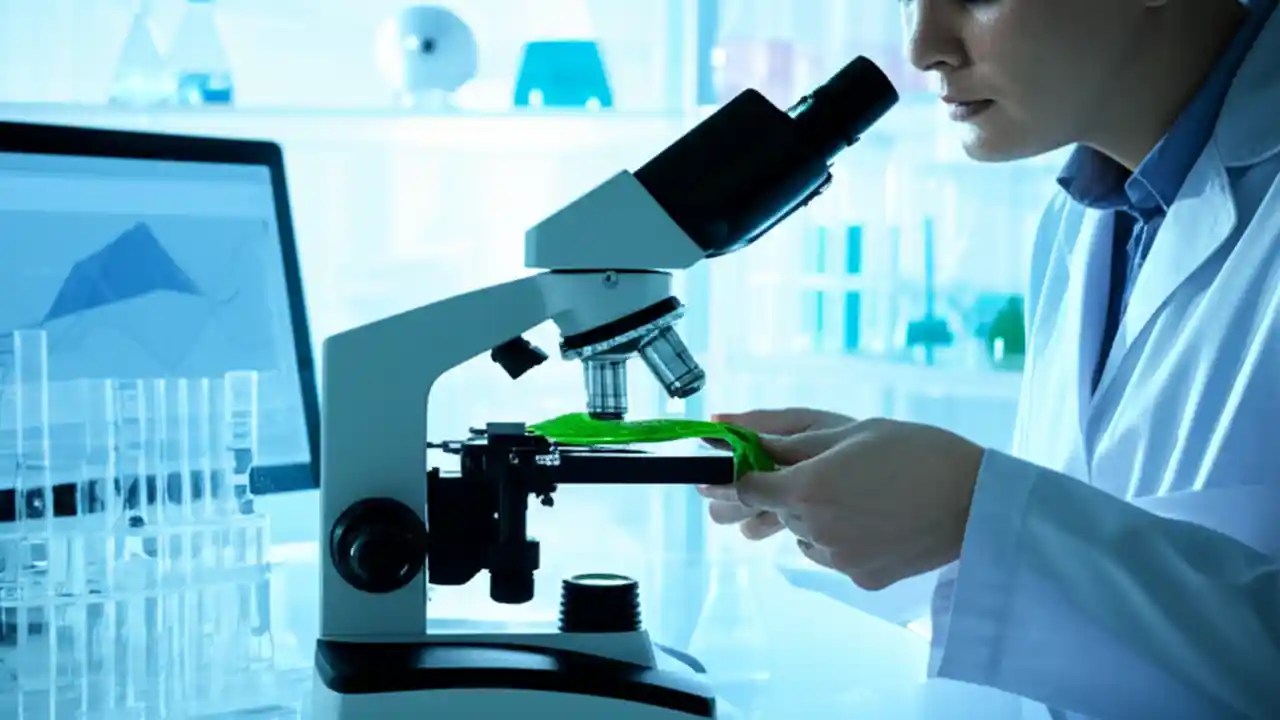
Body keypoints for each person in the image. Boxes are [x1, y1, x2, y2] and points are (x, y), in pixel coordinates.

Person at [698, 0, 1280, 718]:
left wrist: (976, 512)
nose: (922, 47)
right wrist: (912, 515)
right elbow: (1130, 578)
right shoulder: (1088, 216)